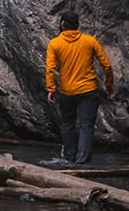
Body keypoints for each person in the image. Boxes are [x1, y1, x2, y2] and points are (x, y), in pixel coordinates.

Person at [43, 11, 115, 166]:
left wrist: (51, 89)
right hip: (89, 90)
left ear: (62, 24)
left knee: (67, 125)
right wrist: (109, 85)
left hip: (67, 92)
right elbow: (107, 64)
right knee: (86, 125)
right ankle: (83, 161)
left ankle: (69, 159)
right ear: (77, 25)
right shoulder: (90, 41)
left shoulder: (55, 43)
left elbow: (50, 69)